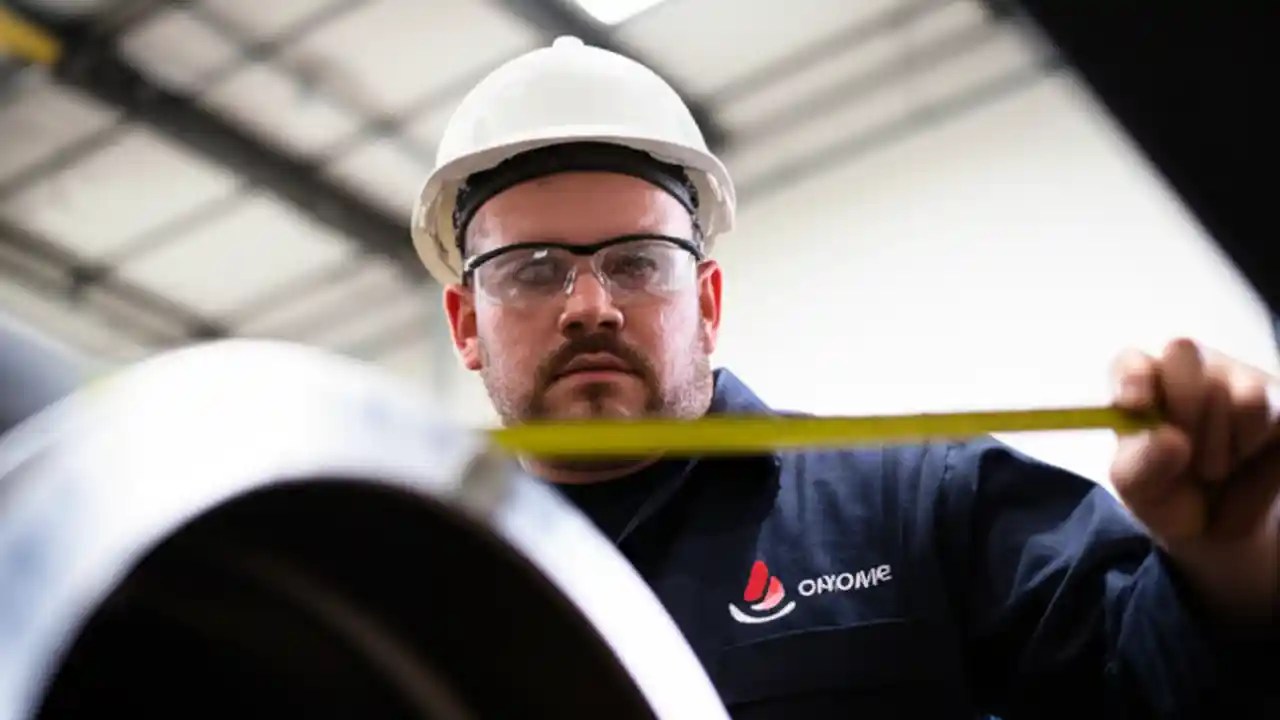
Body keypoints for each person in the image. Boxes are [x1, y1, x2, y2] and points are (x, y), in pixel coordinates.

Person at [410, 37, 1278, 718]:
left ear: (707, 303)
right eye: (531, 270)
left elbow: (1147, 685)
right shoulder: (420, 599)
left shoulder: (915, 502)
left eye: (638, 262)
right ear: (465, 326)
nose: (590, 306)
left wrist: (1230, 555)